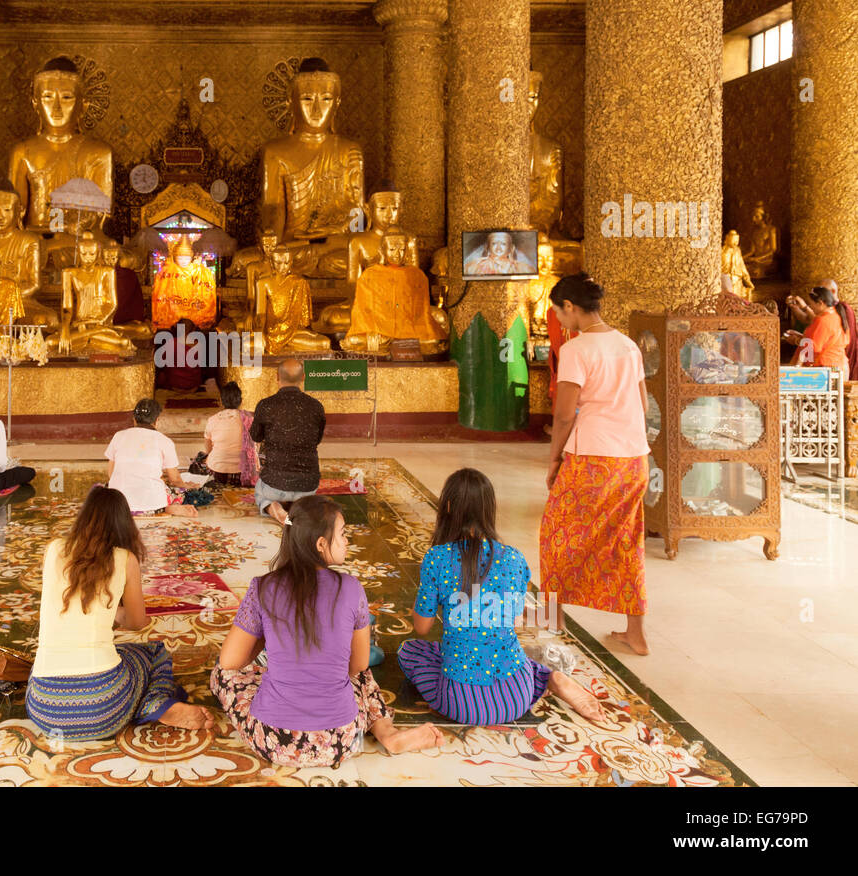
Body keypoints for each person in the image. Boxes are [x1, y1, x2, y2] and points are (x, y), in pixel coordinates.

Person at [211, 495, 442, 766]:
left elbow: (230, 662)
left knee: (222, 675)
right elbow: (357, 666)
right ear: (321, 544)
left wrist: (265, 637)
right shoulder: (352, 588)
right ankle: (387, 733)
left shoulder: (263, 587)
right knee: (364, 678)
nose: (347, 541)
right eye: (342, 534)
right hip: (341, 738)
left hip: (273, 739)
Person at [399, 468, 606, 726]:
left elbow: (421, 627)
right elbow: (514, 619)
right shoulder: (514, 558)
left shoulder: (437, 558)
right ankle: (547, 677)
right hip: (516, 695)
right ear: (489, 509)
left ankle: (537, 675)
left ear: (448, 507)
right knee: (507, 651)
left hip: (462, 702)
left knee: (411, 652)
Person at [27, 485, 213, 739]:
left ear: (83, 517)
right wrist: (119, 612)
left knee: (40, 667)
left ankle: (142, 707)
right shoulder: (124, 558)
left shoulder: (54, 549)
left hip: (45, 711)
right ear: (124, 523)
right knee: (153, 653)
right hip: (104, 707)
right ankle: (154, 705)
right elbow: (137, 622)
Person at [539, 273, 649, 655]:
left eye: (557, 311)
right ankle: (635, 632)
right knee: (626, 540)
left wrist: (554, 459)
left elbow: (565, 414)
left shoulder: (576, 350)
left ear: (570, 306)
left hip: (593, 458)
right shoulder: (628, 346)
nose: (558, 319)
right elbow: (644, 405)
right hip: (634, 457)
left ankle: (555, 618)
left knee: (557, 533)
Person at [249, 358, 324, 523]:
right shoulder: (316, 406)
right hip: (308, 486)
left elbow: (255, 436)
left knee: (259, 492)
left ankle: (273, 508)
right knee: (305, 496)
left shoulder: (265, 405)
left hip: (275, 484)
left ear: (277, 376)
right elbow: (316, 440)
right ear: (303, 377)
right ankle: (300, 505)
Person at [105, 398, 197, 516]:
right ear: (156, 420)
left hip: (118, 504)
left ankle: (159, 508)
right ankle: (166, 508)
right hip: (152, 503)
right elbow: (175, 480)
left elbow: (111, 474)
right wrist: (188, 486)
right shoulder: (165, 441)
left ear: (134, 419)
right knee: (180, 491)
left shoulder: (119, 436)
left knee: (103, 487)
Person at [787, 285, 852, 381]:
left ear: (820, 303)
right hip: (838, 368)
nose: (810, 307)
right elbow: (822, 340)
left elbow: (813, 347)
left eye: (811, 304)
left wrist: (796, 340)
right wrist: (801, 336)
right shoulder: (834, 315)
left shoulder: (824, 320)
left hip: (829, 370)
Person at [202, 381, 251, 486]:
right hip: (242, 473)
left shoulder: (212, 419)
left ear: (221, 401)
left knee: (201, 458)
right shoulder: (249, 419)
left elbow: (208, 448)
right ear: (241, 401)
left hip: (217, 471)